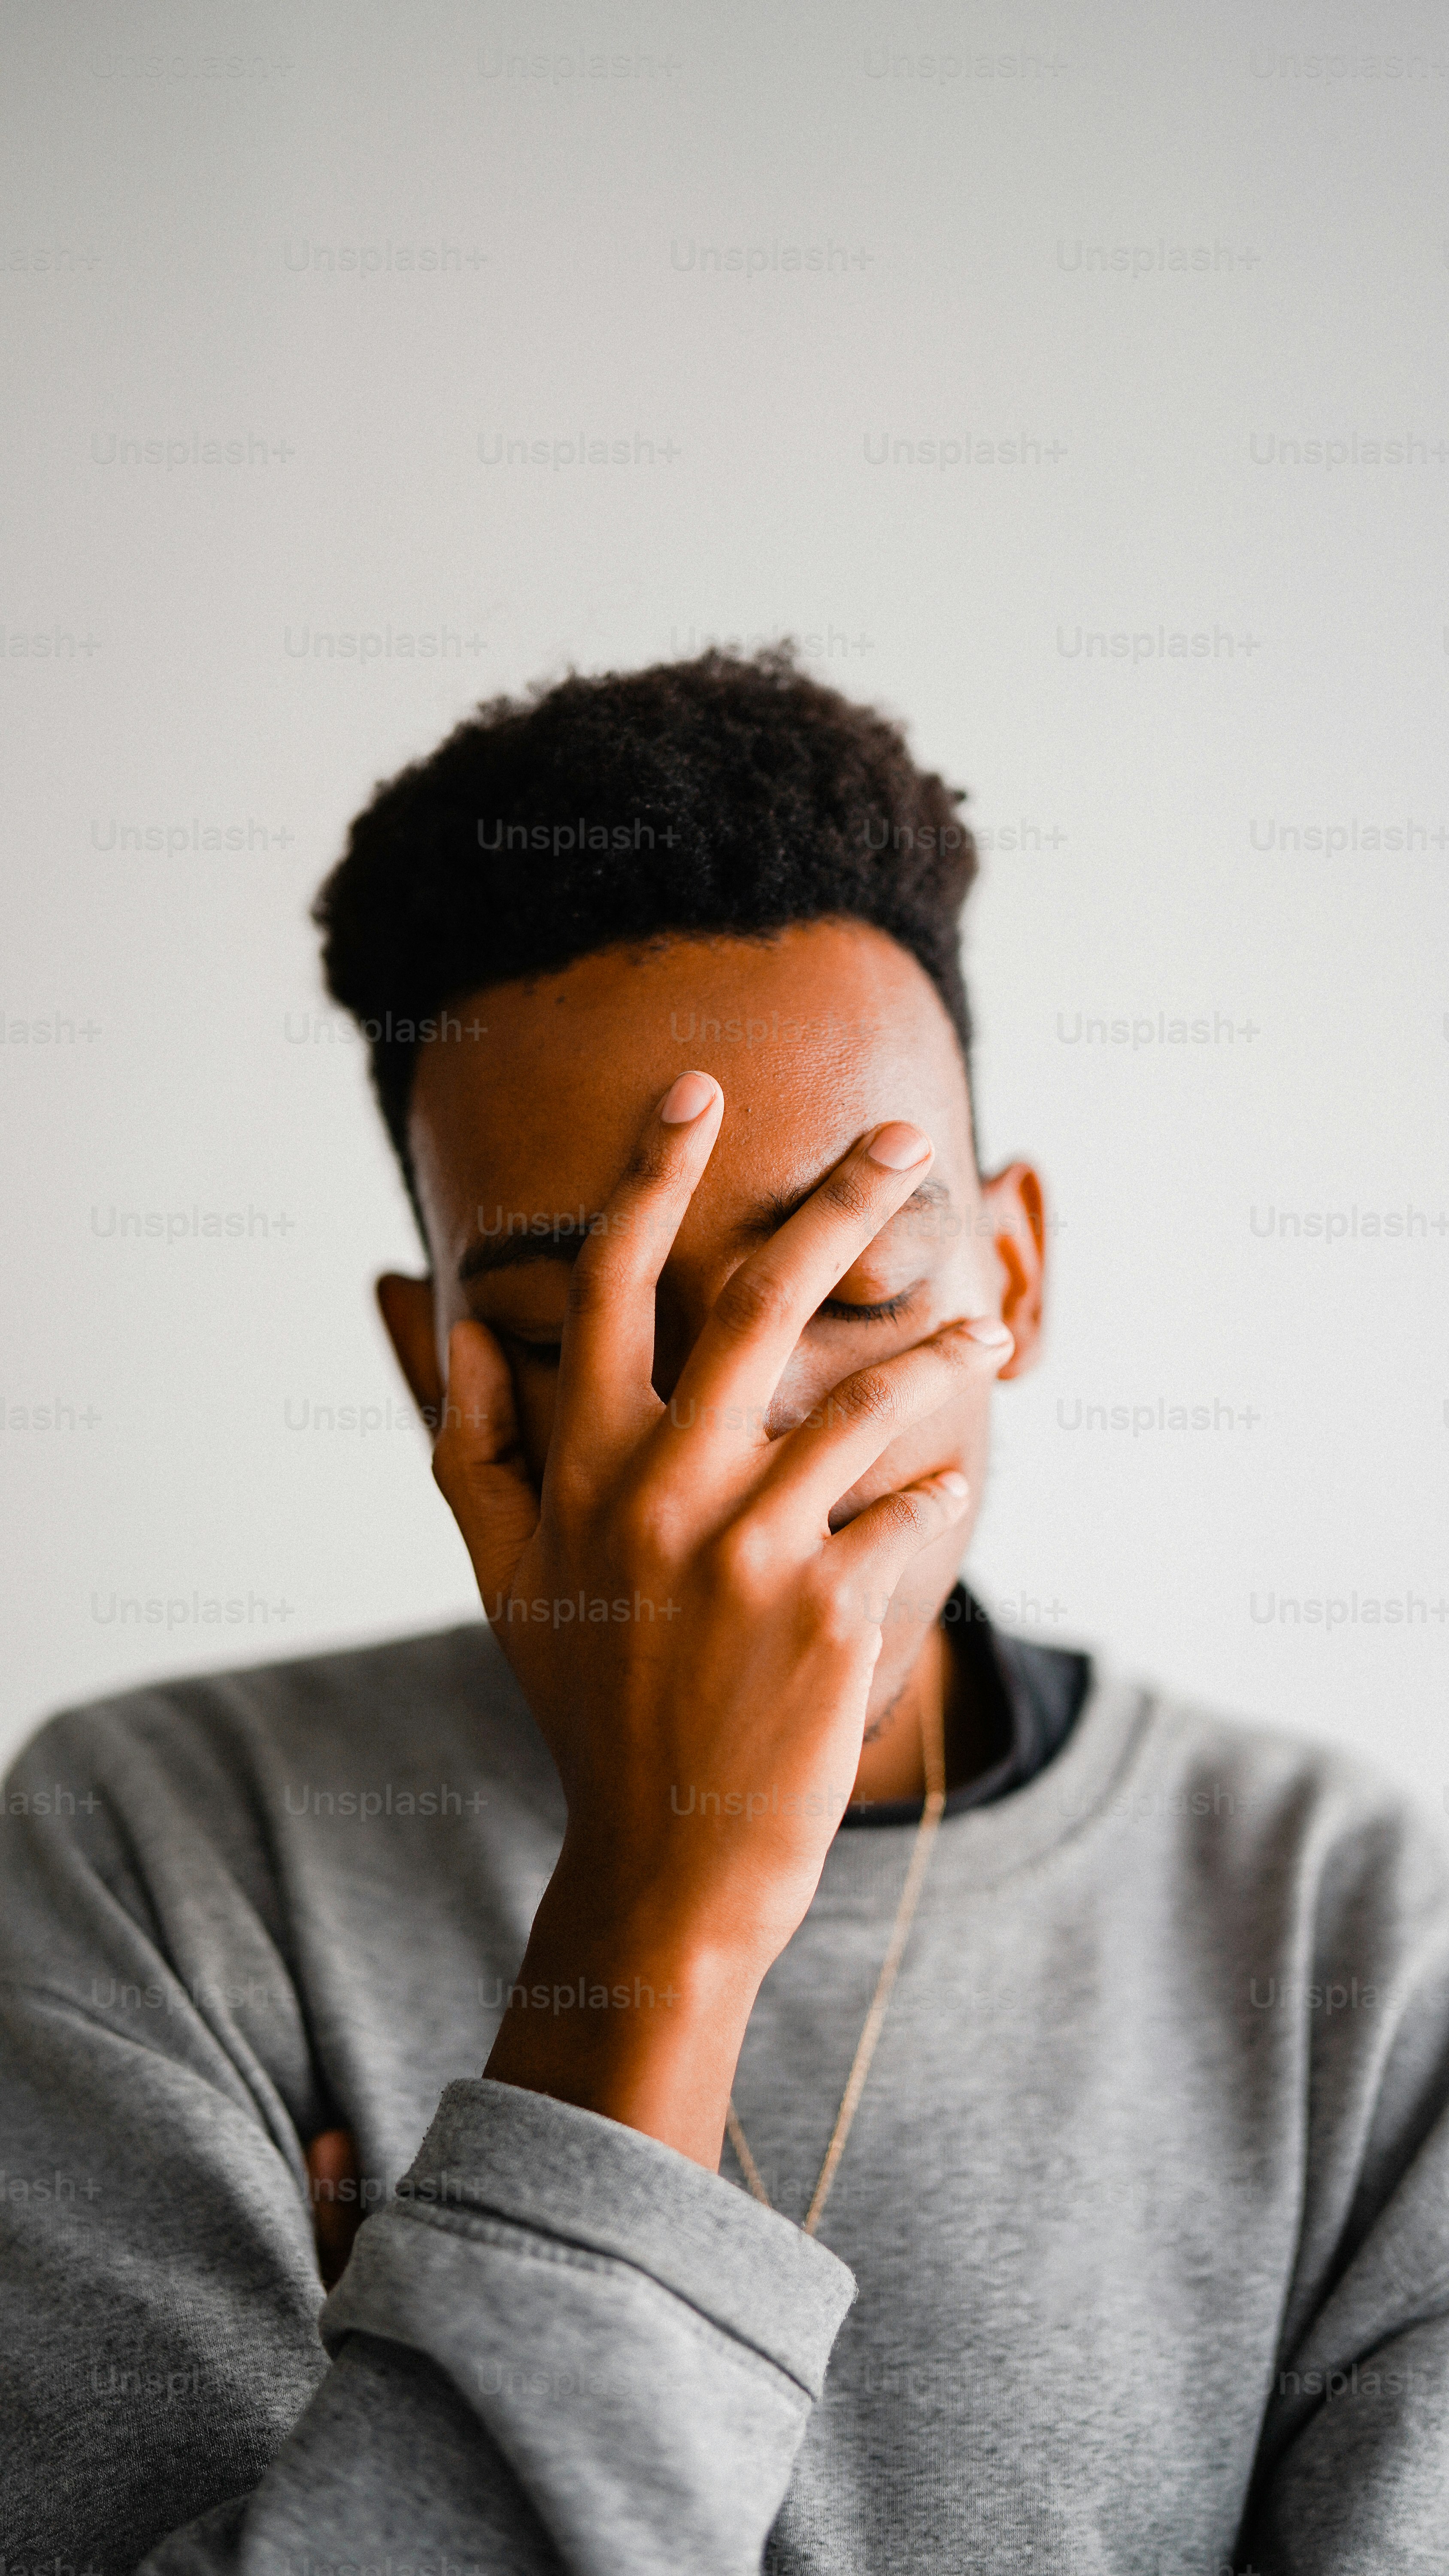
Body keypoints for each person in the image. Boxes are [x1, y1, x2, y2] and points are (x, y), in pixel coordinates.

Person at [3, 648, 1447, 2575]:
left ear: (1009, 1279)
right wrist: (643, 1939)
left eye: (844, 1296)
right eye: (566, 1339)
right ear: (438, 1365)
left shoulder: (1346, 1931)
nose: (721, 1465)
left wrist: (457, 2338)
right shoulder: (158, 1850)